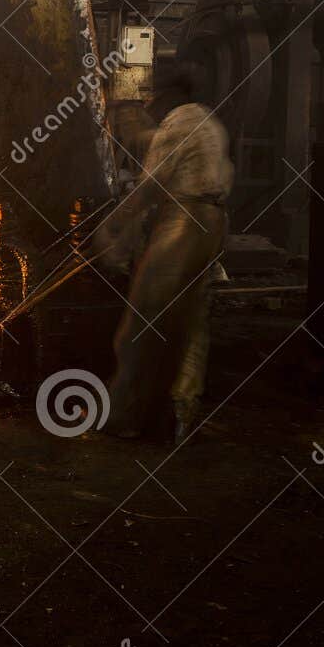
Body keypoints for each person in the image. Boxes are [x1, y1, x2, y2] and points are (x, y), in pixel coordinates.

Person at [94, 61, 233, 443]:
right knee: (190, 326)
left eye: (152, 96)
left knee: (140, 324)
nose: (149, 102)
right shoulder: (206, 122)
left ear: (170, 95)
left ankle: (123, 419)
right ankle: (179, 417)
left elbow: (148, 187)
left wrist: (110, 228)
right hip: (212, 224)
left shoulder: (178, 125)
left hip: (184, 223)